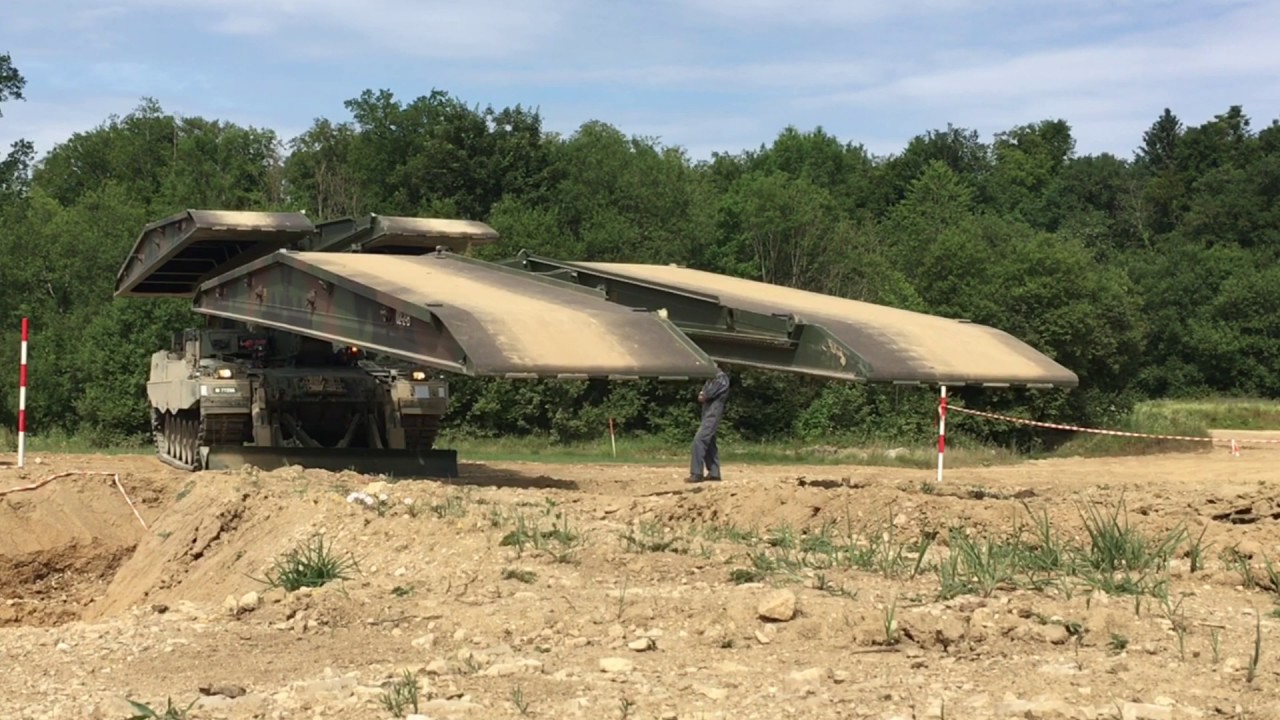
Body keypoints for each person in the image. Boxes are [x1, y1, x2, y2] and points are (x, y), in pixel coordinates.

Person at [689, 364, 729, 483]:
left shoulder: (720, 378)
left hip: (713, 414)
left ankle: (696, 473)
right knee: (710, 442)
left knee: (699, 440)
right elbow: (702, 396)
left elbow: (706, 395)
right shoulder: (711, 378)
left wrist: (703, 394)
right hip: (707, 413)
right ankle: (714, 472)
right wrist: (703, 395)